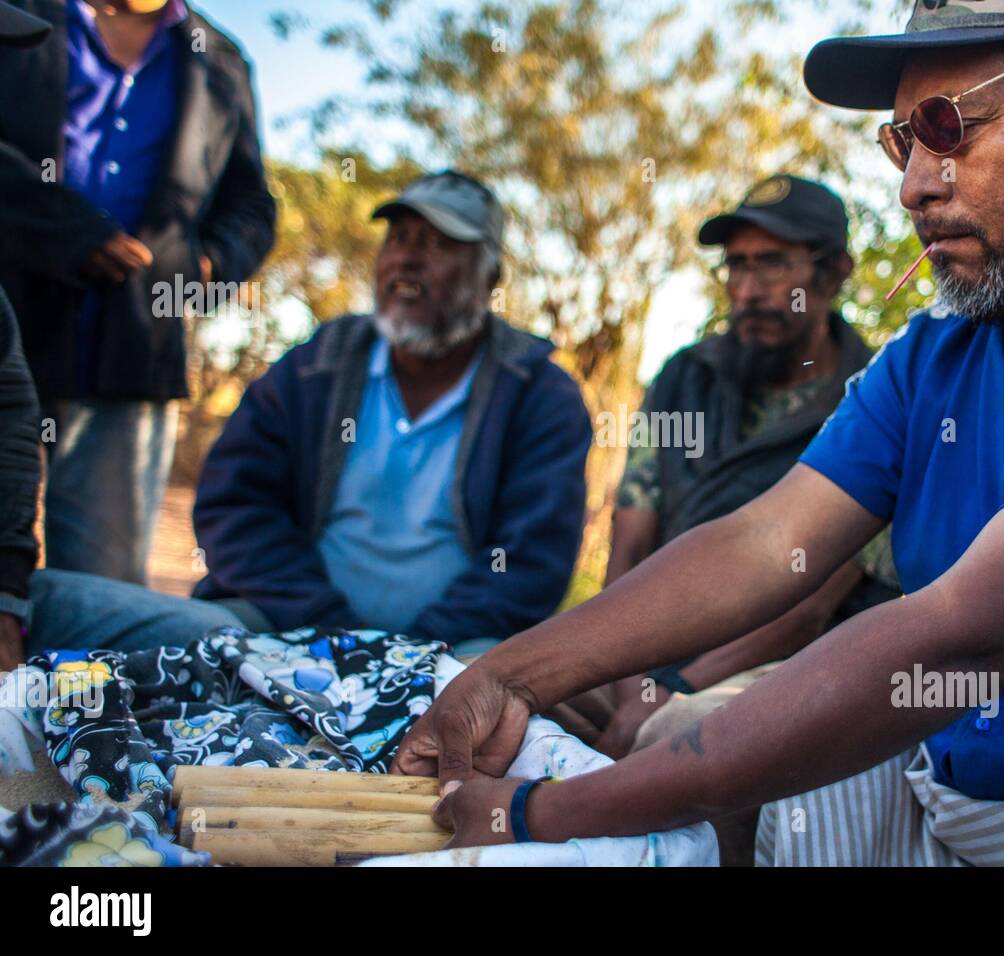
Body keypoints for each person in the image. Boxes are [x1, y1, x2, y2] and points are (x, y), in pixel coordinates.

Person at [394, 0, 1004, 866]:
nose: (913, 185)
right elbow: (765, 542)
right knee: (695, 762)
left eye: (950, 126)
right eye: (902, 140)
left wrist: (535, 813)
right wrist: (509, 677)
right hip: (952, 793)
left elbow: (967, 634)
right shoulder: (940, 347)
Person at [561, 175, 898, 761]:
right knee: (496, 685)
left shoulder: (876, 394)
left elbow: (811, 605)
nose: (746, 289)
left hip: (777, 665)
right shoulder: (685, 377)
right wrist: (630, 681)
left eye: (771, 265)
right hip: (645, 651)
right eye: (735, 267)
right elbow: (631, 543)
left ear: (835, 272)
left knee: (679, 741)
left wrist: (676, 689)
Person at [192, 172, 592, 657]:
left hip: (454, 650)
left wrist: (405, 656)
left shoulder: (540, 396)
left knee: (488, 696)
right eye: (398, 239)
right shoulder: (315, 367)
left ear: (489, 279)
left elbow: (530, 564)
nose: (407, 258)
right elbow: (234, 507)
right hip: (288, 626)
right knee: (176, 638)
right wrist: (330, 629)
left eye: (439, 244)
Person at [0, 0, 276, 584]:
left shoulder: (221, 59)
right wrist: (66, 231)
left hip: (131, 357)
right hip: (11, 330)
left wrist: (205, 266)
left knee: (103, 591)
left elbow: (251, 205)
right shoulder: (18, 17)